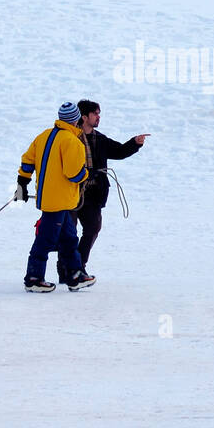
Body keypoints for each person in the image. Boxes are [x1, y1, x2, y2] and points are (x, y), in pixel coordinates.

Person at [55, 100, 149, 283]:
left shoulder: (100, 139)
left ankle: (79, 266)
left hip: (93, 195)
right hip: (71, 193)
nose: (99, 117)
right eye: (95, 113)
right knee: (69, 234)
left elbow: (120, 151)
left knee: (92, 228)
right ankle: (66, 269)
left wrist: (135, 143)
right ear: (84, 117)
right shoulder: (68, 139)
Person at [14, 102, 95, 293]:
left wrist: (21, 185)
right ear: (76, 119)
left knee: (69, 238)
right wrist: (86, 174)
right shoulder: (72, 142)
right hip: (58, 202)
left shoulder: (44, 136)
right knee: (45, 241)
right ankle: (33, 278)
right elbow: (73, 174)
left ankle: (75, 275)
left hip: (52, 200)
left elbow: (27, 161)